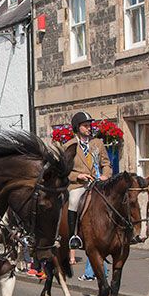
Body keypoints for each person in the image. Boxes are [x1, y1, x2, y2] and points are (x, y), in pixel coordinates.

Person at [66, 111, 111, 261]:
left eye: (89, 125)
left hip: (98, 183)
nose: (88, 128)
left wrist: (106, 175)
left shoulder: (97, 143)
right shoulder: (69, 146)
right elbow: (65, 172)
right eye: (85, 126)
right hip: (79, 185)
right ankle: (74, 236)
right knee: (73, 201)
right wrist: (77, 176)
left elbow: (106, 164)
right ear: (77, 127)